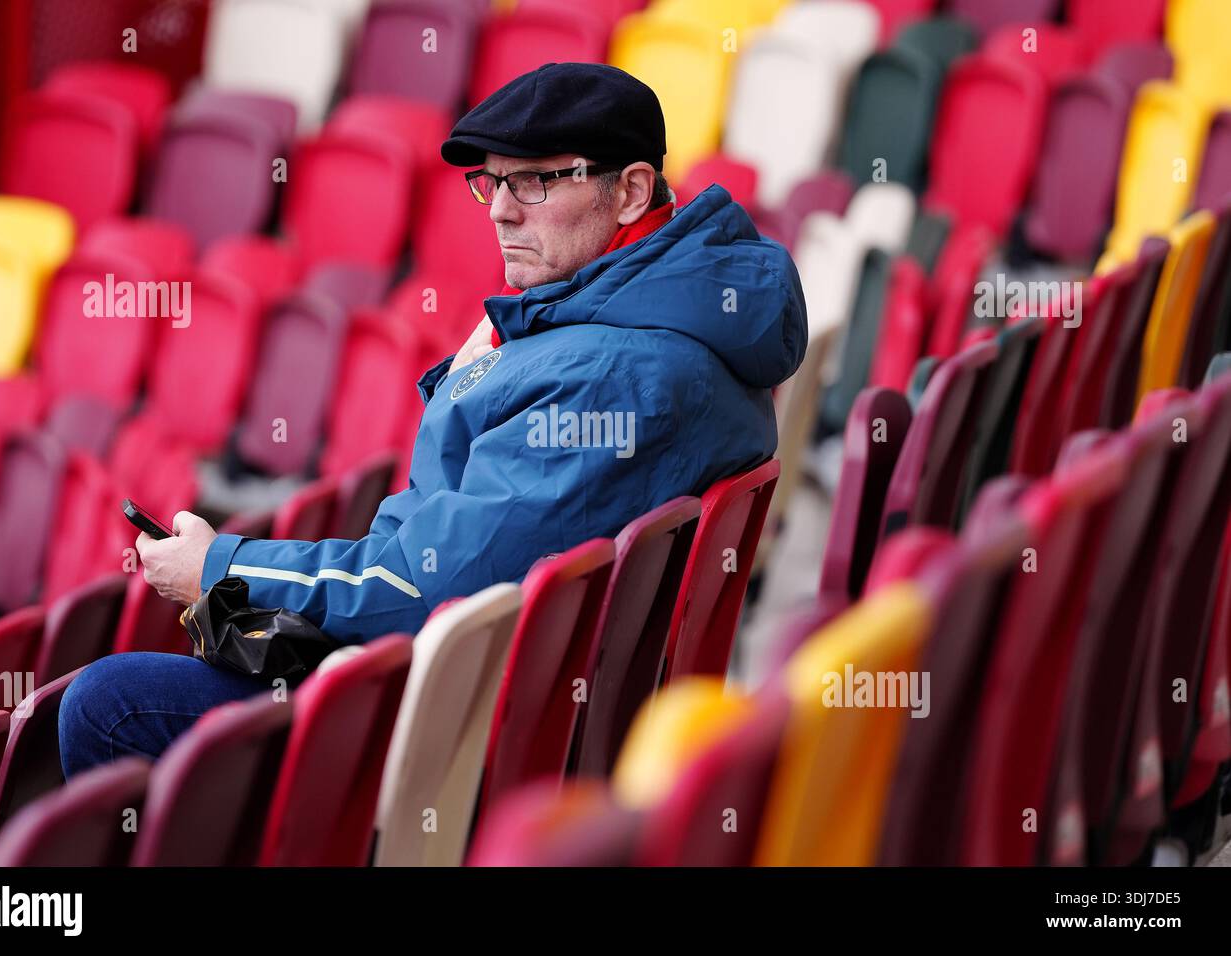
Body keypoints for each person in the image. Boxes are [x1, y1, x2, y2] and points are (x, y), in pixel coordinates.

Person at [58, 62, 807, 778]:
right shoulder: (664, 319)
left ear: (632, 191)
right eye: (493, 182)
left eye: (539, 180)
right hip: (516, 697)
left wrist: (219, 567)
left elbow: (420, 588)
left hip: (455, 728)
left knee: (105, 705)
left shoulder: (611, 377)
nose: (504, 209)